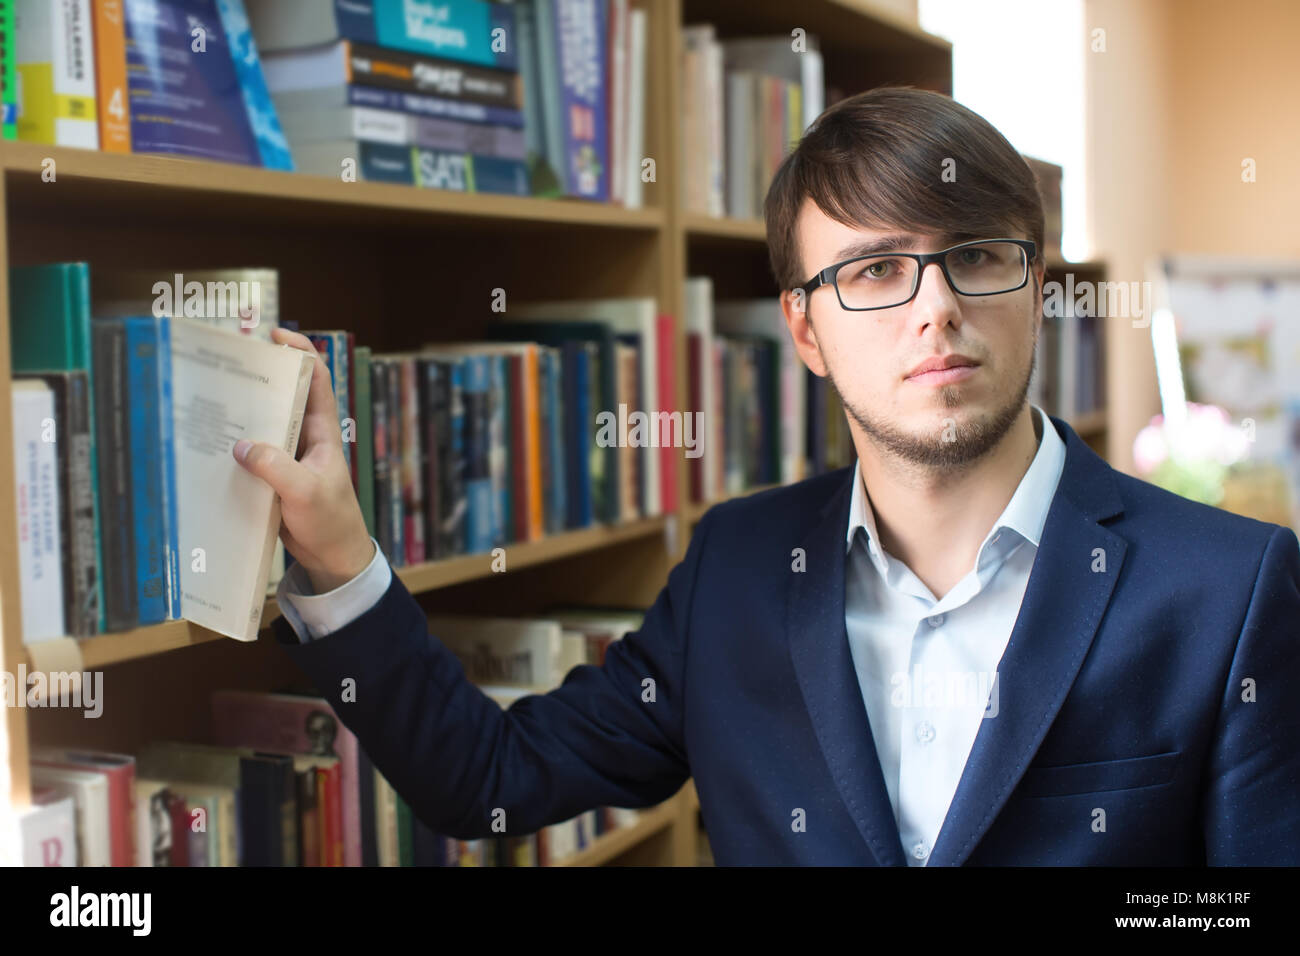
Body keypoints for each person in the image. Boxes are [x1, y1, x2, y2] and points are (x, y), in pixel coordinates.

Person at [232, 87, 1300, 865]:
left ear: (1036, 287)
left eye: (976, 255)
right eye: (876, 269)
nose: (935, 306)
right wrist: (336, 552)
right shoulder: (735, 569)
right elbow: (489, 783)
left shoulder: (1230, 584)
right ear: (804, 328)